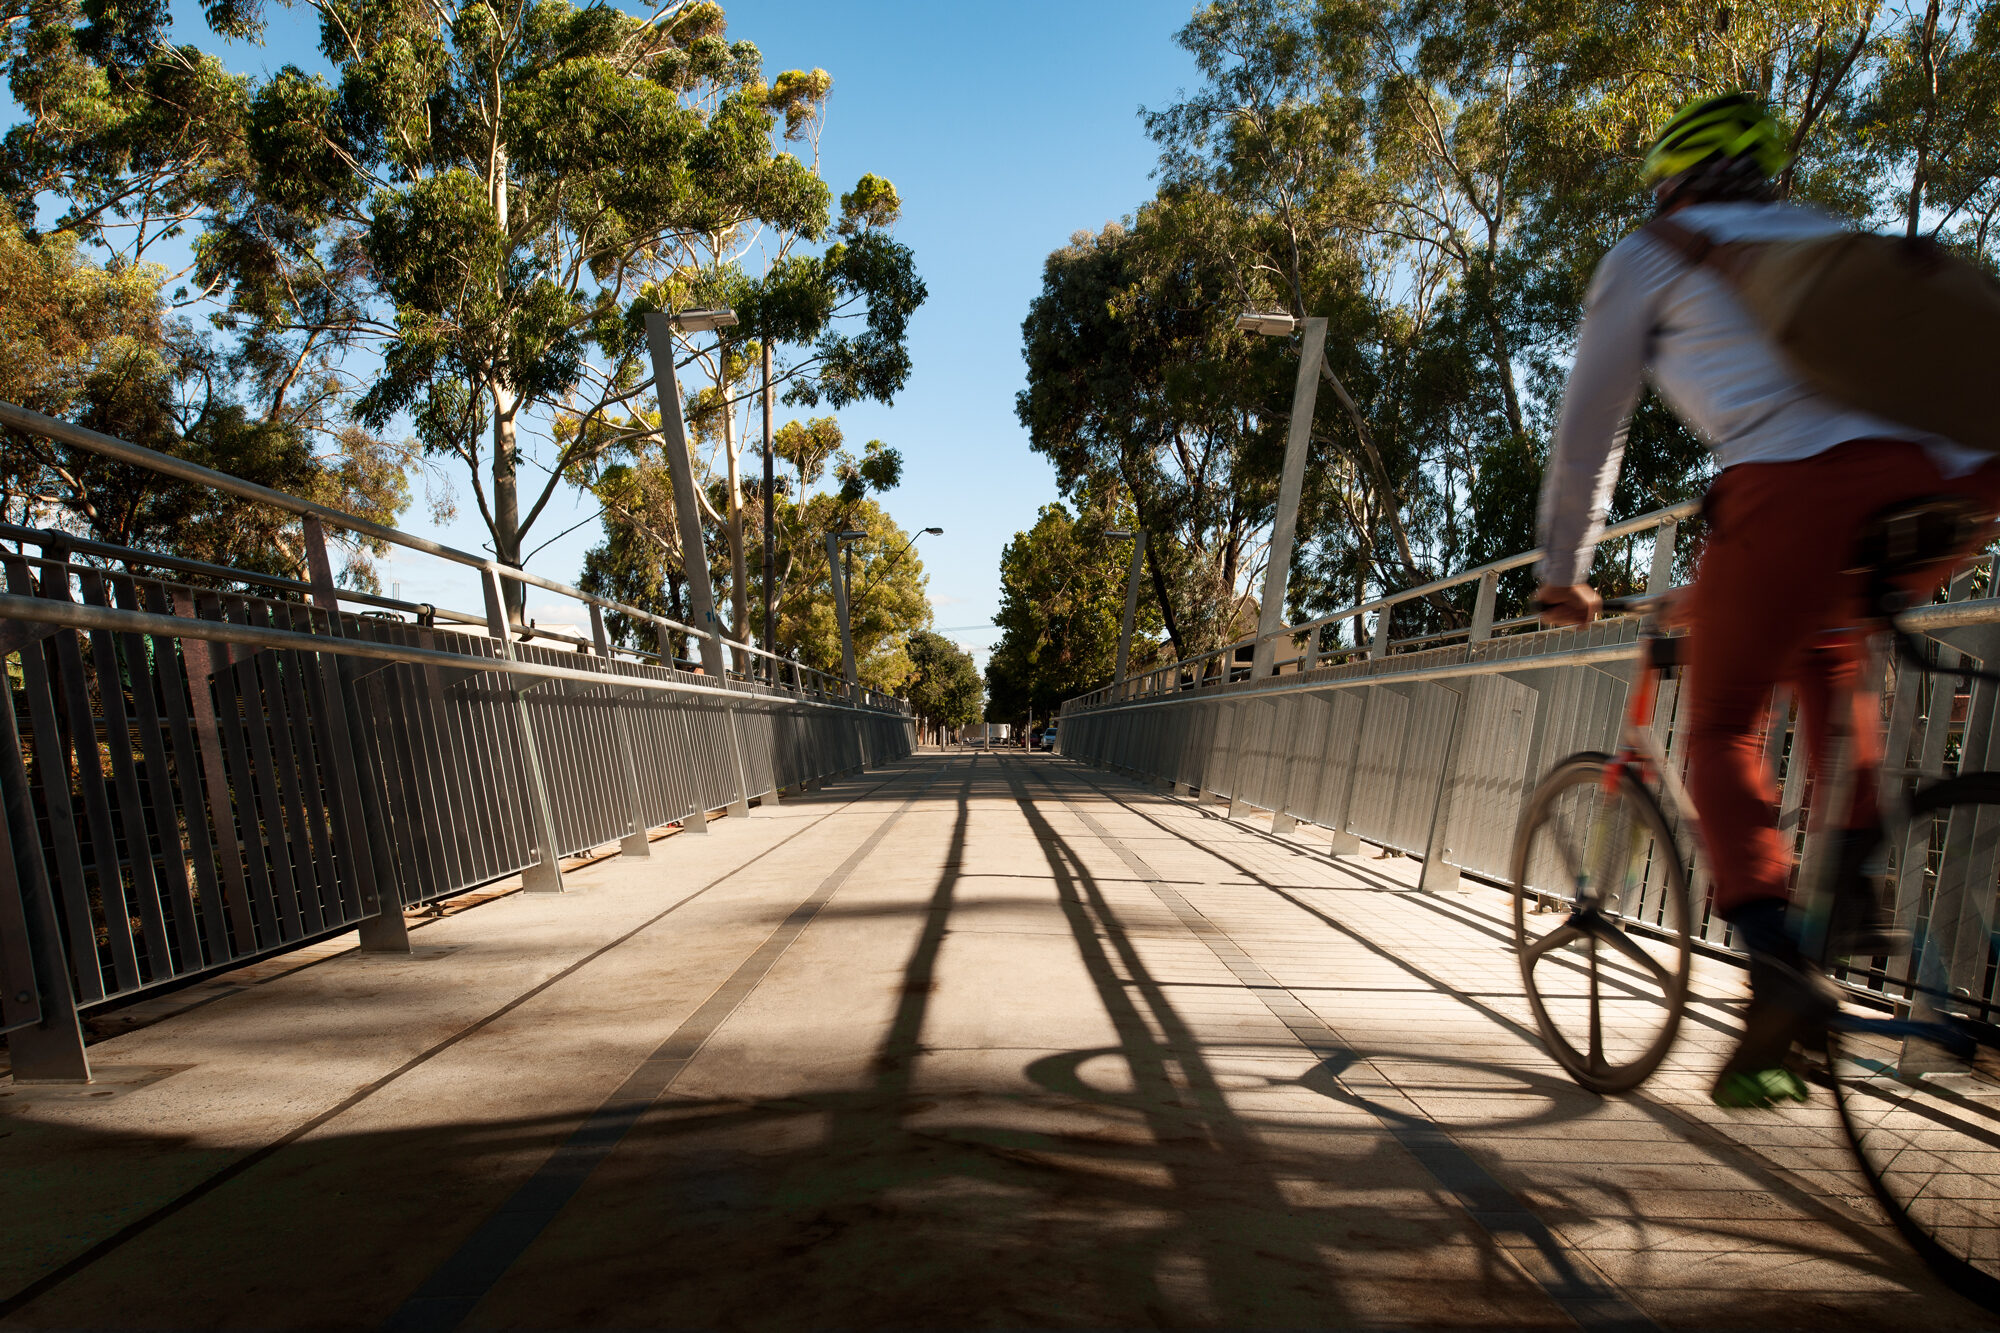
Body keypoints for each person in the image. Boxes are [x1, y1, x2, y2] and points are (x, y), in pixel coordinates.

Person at [1533, 92, 2000, 1108]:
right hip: (1953, 487)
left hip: (1792, 491)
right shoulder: (1827, 238)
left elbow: (1589, 426)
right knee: (1825, 640)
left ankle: (1777, 973)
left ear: (1672, 173)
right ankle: (1858, 877)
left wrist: (1561, 565)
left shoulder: (1650, 251)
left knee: (1721, 728)